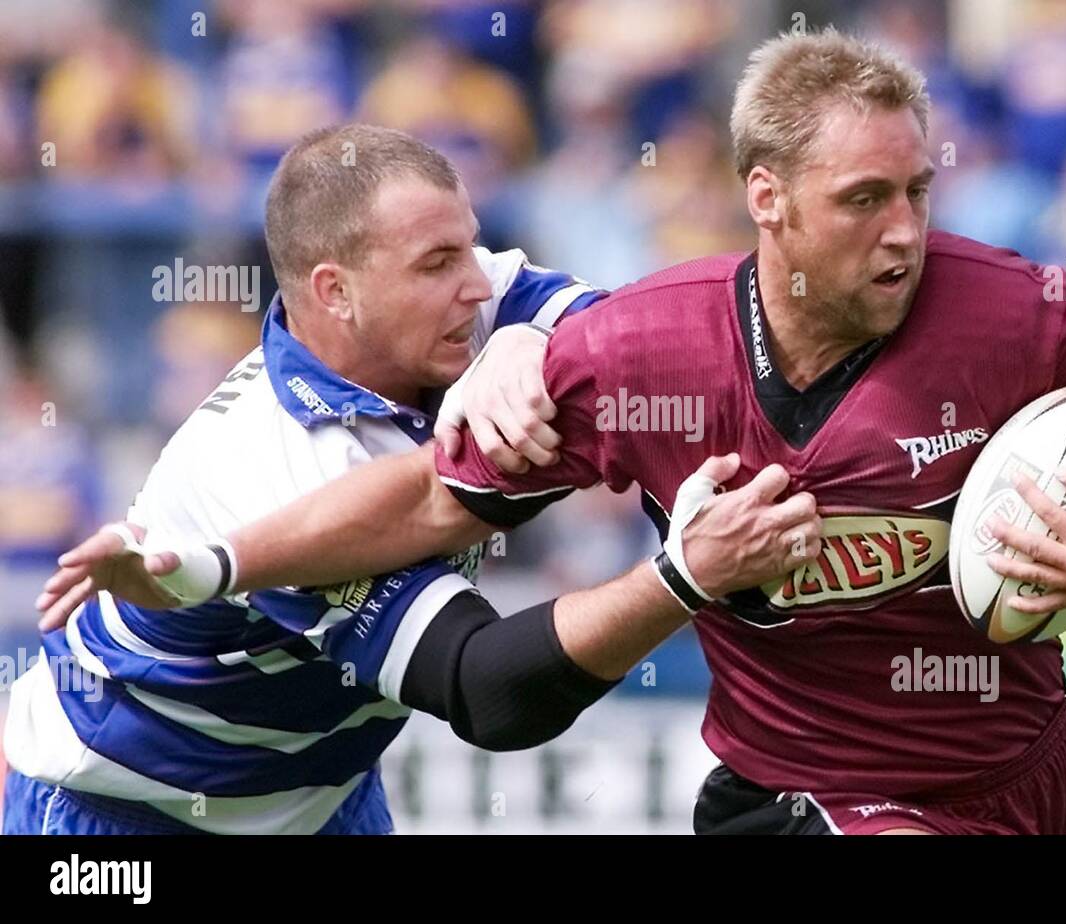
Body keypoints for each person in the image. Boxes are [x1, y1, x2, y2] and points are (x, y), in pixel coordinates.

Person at [40, 30, 1066, 835]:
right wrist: (213, 564)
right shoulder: (649, 354)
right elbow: (473, 649)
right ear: (766, 201)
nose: (904, 232)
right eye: (863, 200)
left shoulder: (1014, 312)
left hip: (1025, 769)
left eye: (919, 191)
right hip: (135, 796)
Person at [6, 124, 820, 835]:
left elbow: (629, 342)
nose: (476, 281)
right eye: (437, 262)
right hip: (129, 807)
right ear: (337, 292)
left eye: (470, 244)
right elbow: (487, 689)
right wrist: (682, 577)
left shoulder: (469, 300)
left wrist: (525, 341)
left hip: (324, 798)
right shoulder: (276, 465)